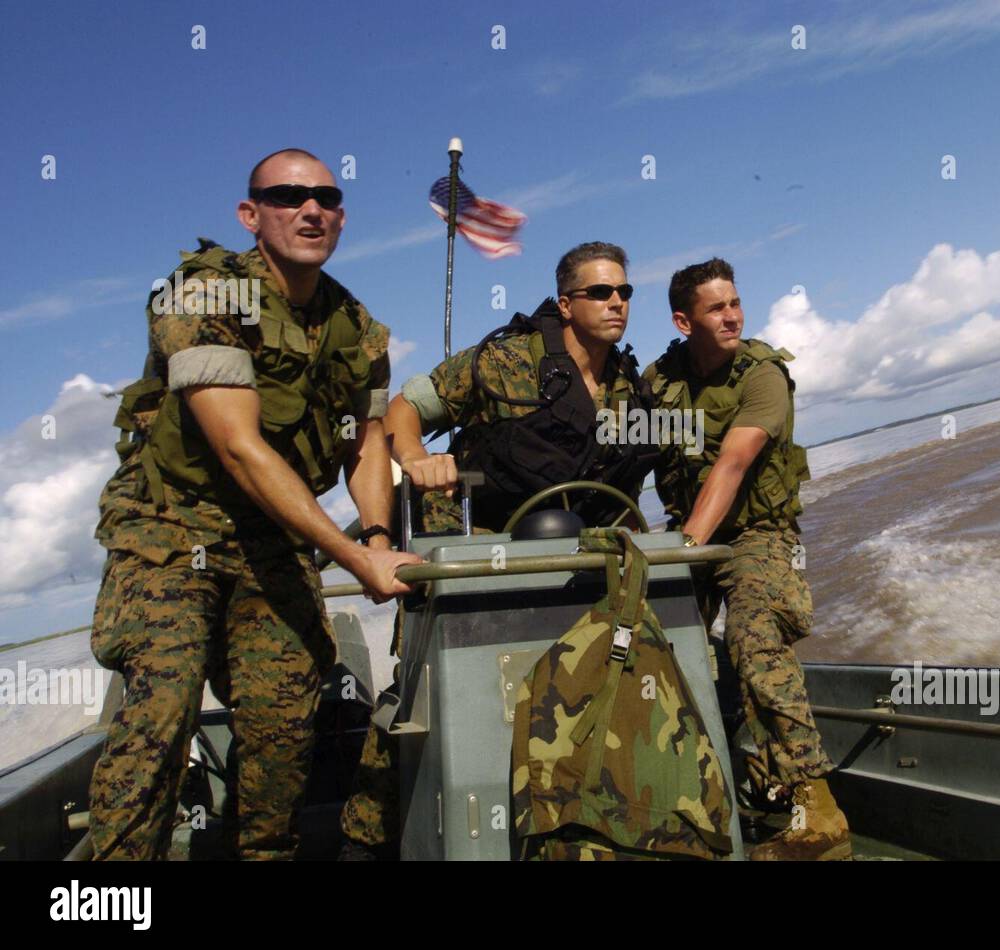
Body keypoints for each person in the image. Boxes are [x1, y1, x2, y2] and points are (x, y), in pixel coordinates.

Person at [90, 148, 422, 860]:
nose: (311, 209)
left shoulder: (357, 329)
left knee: (284, 725)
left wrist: (374, 533)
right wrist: (351, 560)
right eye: (287, 196)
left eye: (326, 198)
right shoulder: (205, 295)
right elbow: (240, 449)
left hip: (271, 535)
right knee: (162, 714)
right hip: (171, 529)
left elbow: (366, 445)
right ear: (251, 214)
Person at [339, 241, 659, 858]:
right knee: (421, 683)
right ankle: (364, 835)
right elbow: (405, 408)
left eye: (624, 292)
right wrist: (418, 459)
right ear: (566, 304)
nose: (617, 303)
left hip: (573, 561)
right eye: (601, 292)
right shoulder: (503, 361)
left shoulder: (628, 382)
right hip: (478, 547)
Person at [643, 257, 850, 861]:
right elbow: (616, 446)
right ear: (685, 321)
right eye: (716, 308)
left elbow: (733, 464)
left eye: (734, 303)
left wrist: (681, 553)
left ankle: (819, 810)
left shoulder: (763, 375)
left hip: (755, 534)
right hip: (692, 533)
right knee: (647, 643)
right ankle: (690, 784)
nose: (732, 315)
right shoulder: (659, 379)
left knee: (754, 639)